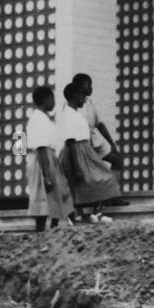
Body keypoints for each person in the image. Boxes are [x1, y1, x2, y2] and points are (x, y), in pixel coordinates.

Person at [57, 82, 122, 221]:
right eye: (81, 96)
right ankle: (74, 217)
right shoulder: (68, 114)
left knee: (99, 178)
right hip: (77, 151)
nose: (83, 99)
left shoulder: (75, 113)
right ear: (75, 96)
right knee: (84, 181)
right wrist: (77, 165)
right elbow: (70, 141)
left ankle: (90, 213)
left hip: (85, 149)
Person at [72, 72, 129, 207]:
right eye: (89, 85)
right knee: (96, 173)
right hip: (84, 145)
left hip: (96, 142)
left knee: (117, 160)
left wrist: (111, 144)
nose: (91, 88)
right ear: (80, 87)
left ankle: (113, 196)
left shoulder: (90, 103)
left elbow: (100, 124)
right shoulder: (75, 106)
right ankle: (98, 200)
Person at [24, 84, 73, 232]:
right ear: (45, 99)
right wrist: (46, 175)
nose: (53, 102)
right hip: (42, 159)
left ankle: (53, 228)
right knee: (42, 194)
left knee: (56, 192)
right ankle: (40, 231)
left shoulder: (44, 119)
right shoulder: (37, 119)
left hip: (49, 158)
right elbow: (41, 147)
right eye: (51, 98)